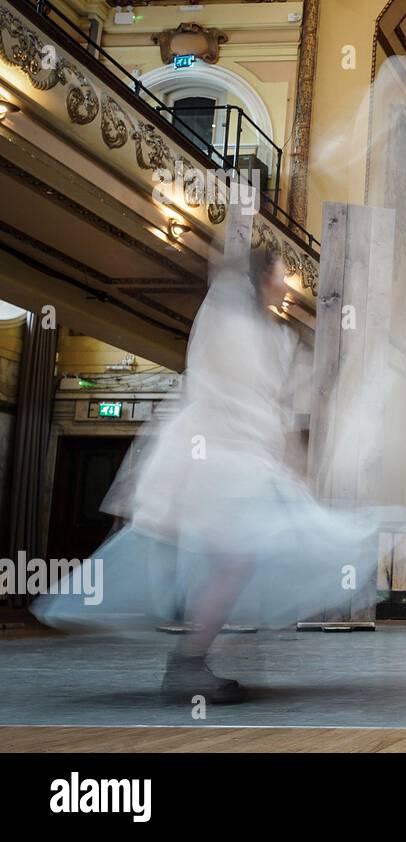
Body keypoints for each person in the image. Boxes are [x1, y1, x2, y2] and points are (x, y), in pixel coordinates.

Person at [34, 245, 377, 705]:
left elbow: (275, 405)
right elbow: (226, 392)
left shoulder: (275, 335)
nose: (286, 281)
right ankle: (191, 659)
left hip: (243, 455)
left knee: (243, 555)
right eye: (280, 272)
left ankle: (204, 652)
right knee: (231, 556)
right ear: (262, 278)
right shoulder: (231, 325)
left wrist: (292, 460)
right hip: (216, 455)